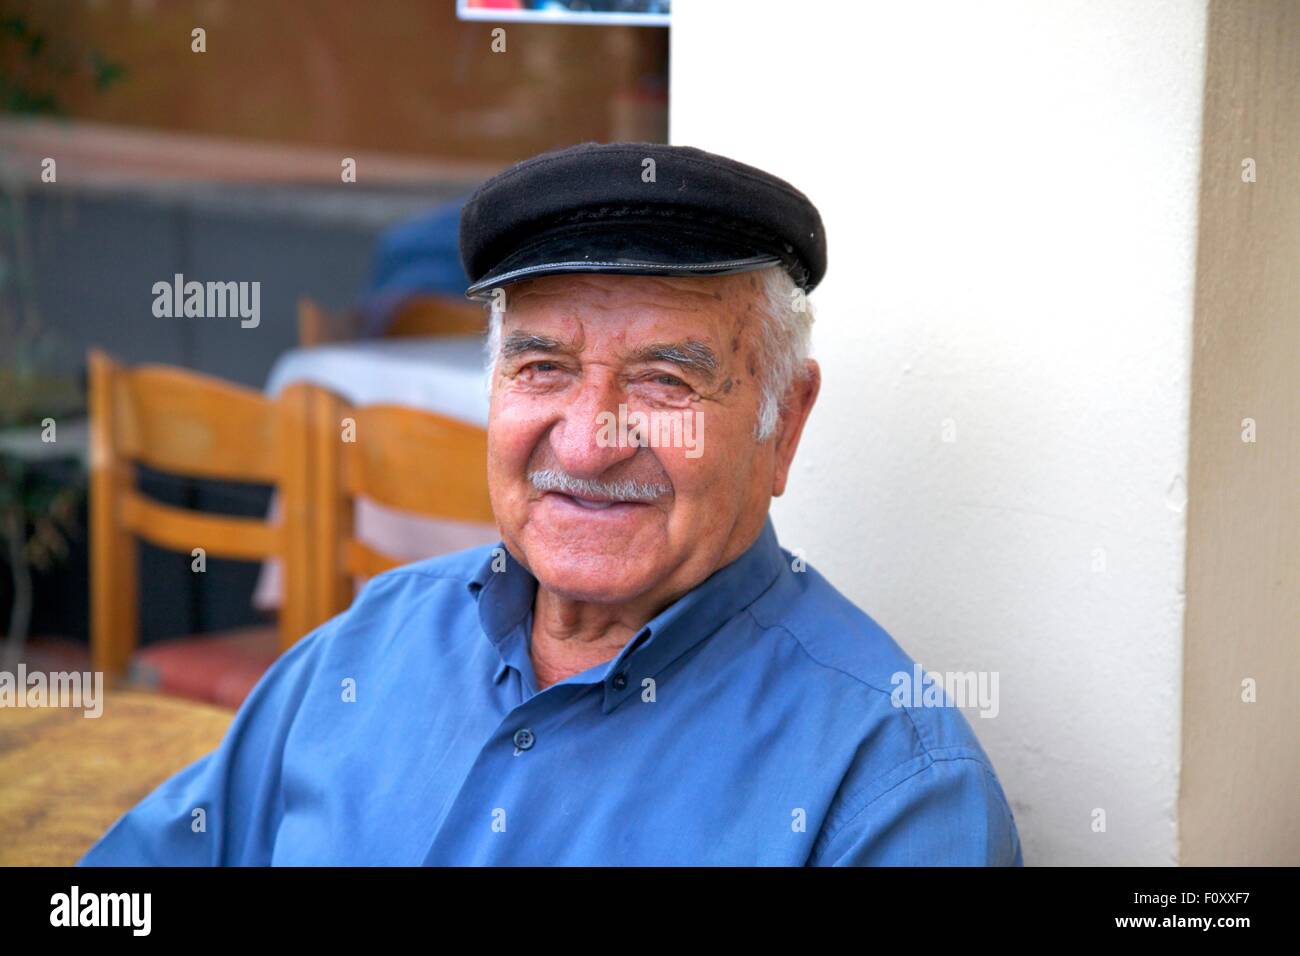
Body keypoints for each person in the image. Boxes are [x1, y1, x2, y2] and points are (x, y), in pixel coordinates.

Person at [80, 142, 1022, 865]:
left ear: (786, 423)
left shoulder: (888, 787)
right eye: (544, 369)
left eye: (664, 382)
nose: (584, 443)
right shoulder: (377, 640)